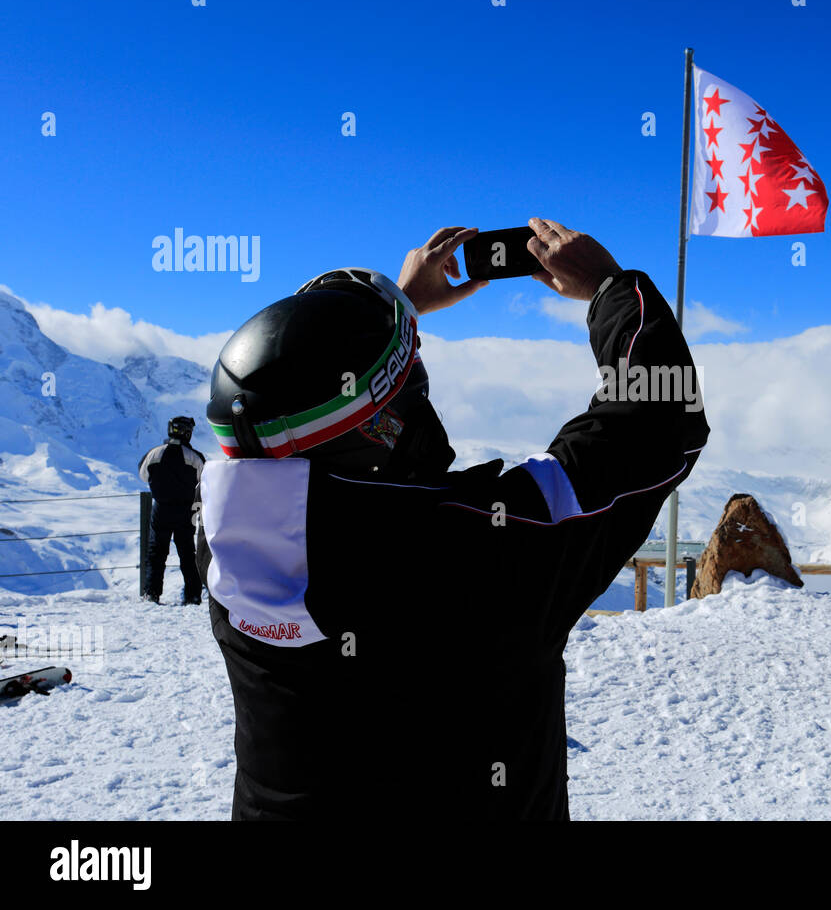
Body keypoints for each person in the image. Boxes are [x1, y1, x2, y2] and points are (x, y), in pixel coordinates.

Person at [200, 219, 708, 820]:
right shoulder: (484, 548)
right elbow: (657, 424)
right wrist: (610, 287)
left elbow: (290, 395)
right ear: (381, 428)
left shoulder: (227, 543)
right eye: (410, 384)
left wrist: (399, 306)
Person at [137, 416, 206, 604]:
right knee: (187, 553)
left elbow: (143, 475)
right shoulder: (194, 457)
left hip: (161, 508)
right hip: (186, 510)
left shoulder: (154, 454)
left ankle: (151, 593)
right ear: (187, 433)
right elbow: (204, 480)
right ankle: (192, 596)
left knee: (156, 552)